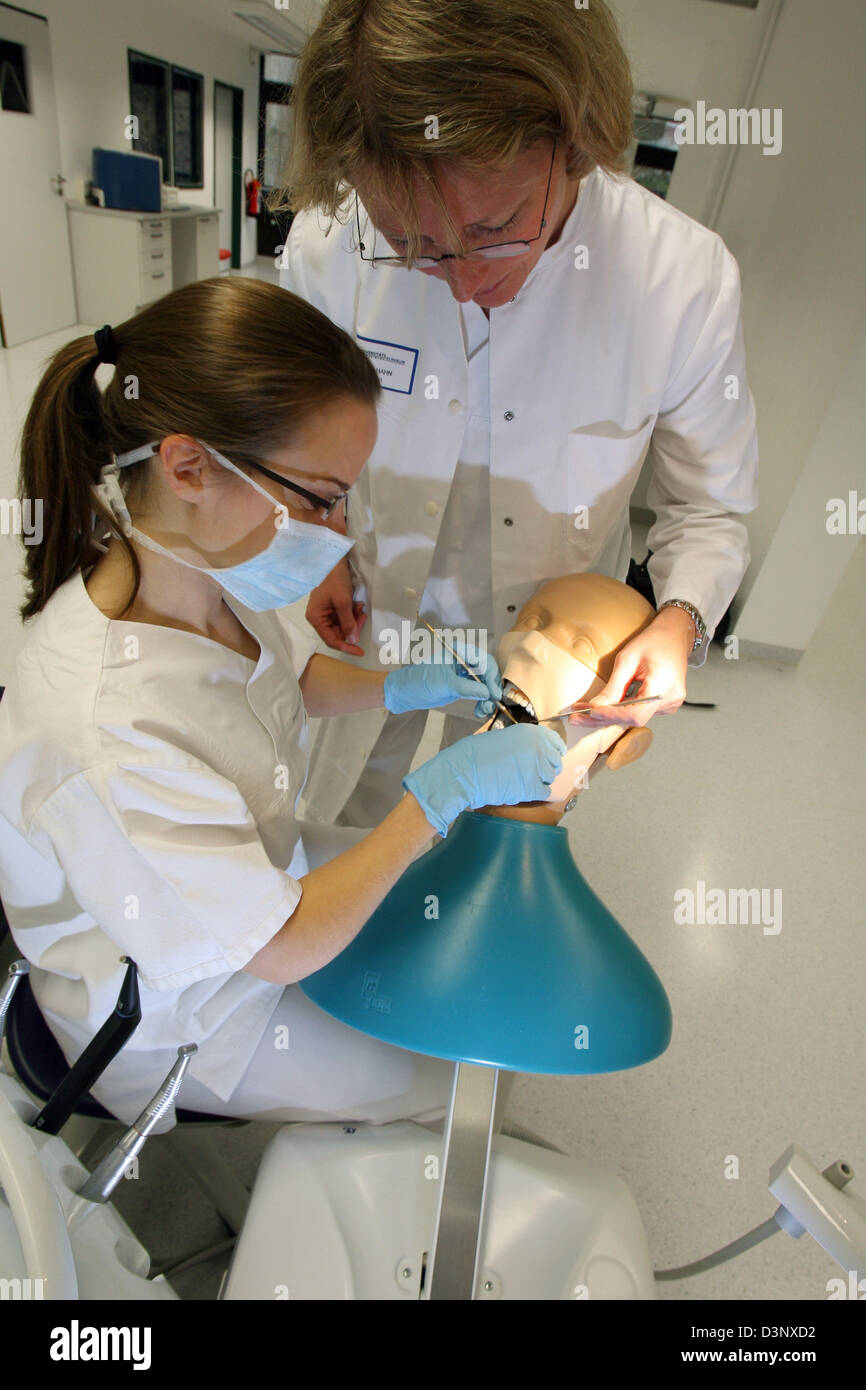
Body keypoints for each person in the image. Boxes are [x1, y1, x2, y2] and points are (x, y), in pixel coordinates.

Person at [0, 275, 564, 1132]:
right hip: (180, 1012)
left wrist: (403, 683)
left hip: (253, 875)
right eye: (320, 498)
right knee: (458, 1069)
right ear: (188, 466)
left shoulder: (202, 566)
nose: (338, 534)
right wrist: (435, 796)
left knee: (451, 895)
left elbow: (277, 679)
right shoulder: (106, 728)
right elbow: (283, 945)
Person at [274, 0, 760, 827]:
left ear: (576, 144)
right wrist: (319, 538)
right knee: (343, 809)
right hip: (374, 603)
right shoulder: (331, 241)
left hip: (544, 642)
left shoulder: (680, 279)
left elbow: (709, 509)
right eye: (412, 247)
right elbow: (294, 433)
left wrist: (679, 618)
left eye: (495, 230)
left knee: (495, 827)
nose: (464, 284)